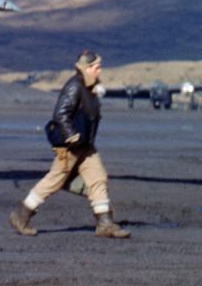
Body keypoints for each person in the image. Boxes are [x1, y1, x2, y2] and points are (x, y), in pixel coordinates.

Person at [10, 50, 129, 238]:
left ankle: (105, 225)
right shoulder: (75, 86)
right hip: (72, 147)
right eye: (96, 68)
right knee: (54, 180)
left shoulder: (88, 86)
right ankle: (21, 215)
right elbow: (60, 114)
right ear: (87, 68)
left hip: (86, 147)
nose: (99, 71)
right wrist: (71, 136)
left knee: (98, 179)